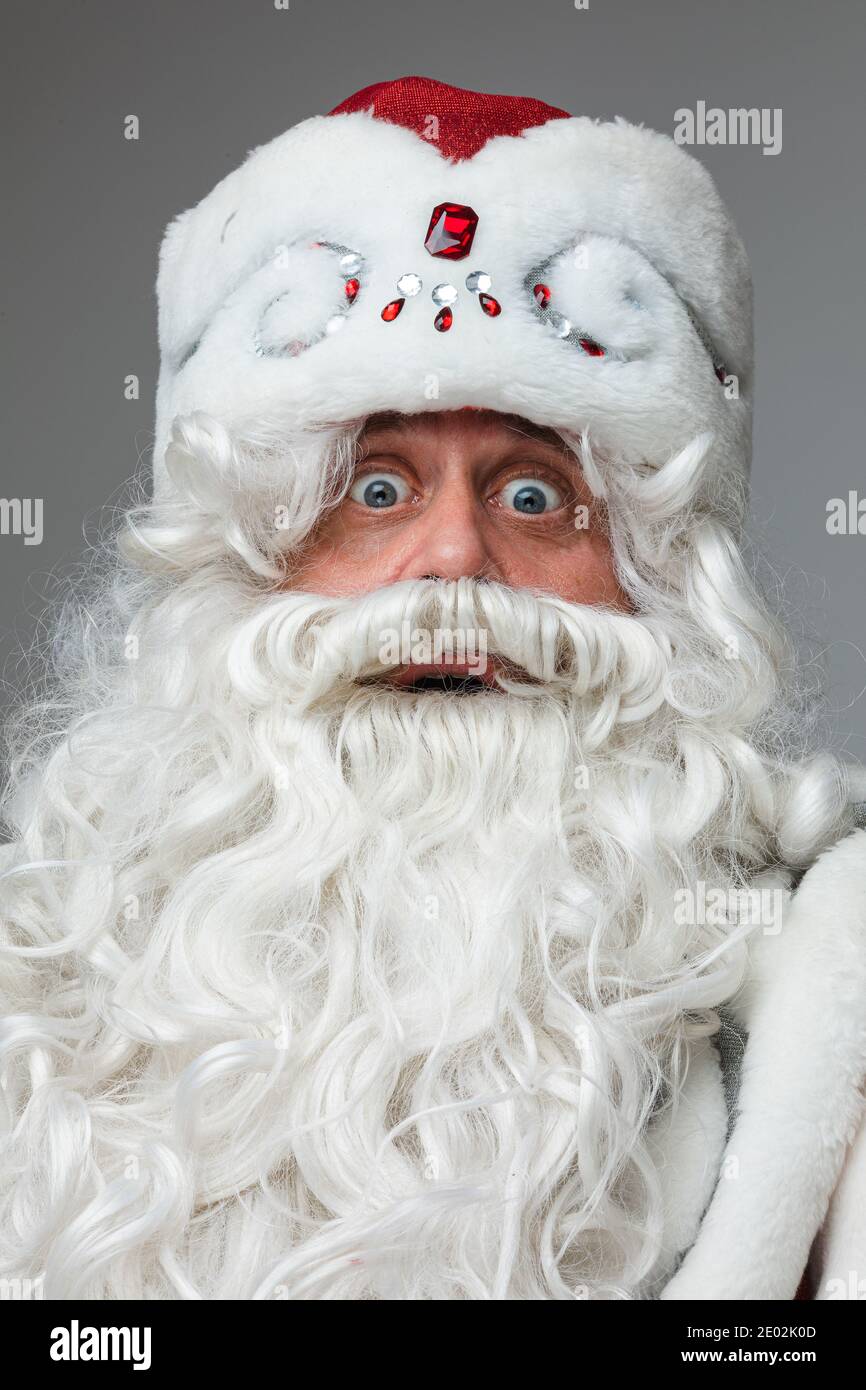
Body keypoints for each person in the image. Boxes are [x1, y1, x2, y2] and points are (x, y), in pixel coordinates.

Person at [1, 75, 864, 1302]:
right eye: (375, 489)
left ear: (659, 583)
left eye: (530, 495)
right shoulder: (30, 990)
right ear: (242, 560)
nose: (455, 558)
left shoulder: (835, 1002)